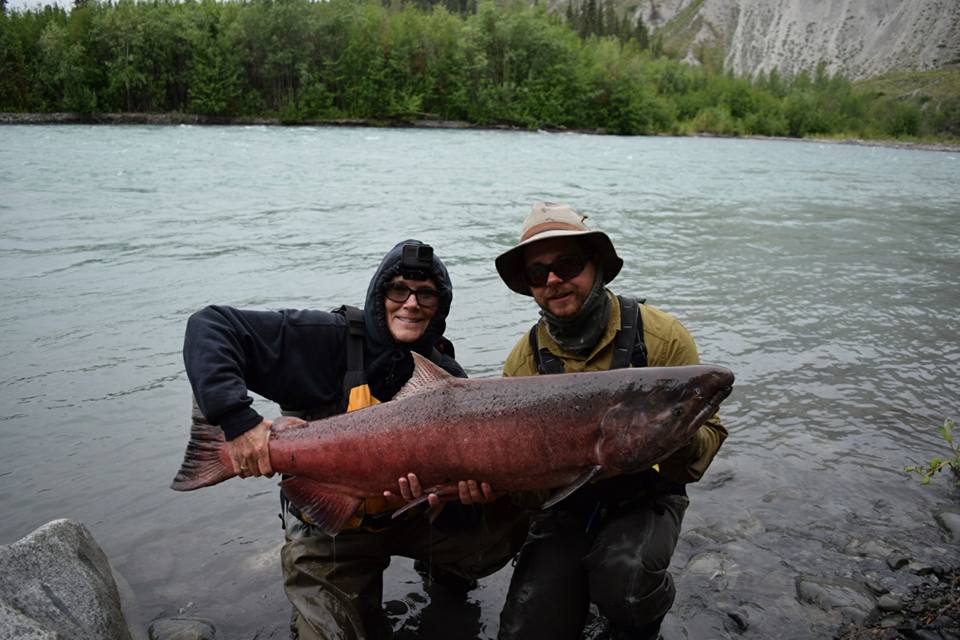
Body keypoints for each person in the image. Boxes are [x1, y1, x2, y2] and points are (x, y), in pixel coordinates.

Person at [183, 240, 522, 640]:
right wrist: (237, 422)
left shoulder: (448, 376)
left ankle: (445, 569)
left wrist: (468, 498)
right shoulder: (324, 340)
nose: (411, 303)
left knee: (514, 517)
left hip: (410, 517)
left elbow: (460, 489)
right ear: (379, 295)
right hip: (332, 528)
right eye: (398, 289)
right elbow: (211, 326)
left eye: (426, 295)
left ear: (440, 308)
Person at [493, 203, 728, 640]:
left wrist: (671, 437)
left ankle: (646, 611)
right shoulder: (522, 361)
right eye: (537, 272)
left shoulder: (661, 336)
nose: (553, 280)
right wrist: (493, 483)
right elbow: (526, 490)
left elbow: (709, 436)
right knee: (526, 630)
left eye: (567, 264)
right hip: (562, 505)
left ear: (597, 266)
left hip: (645, 497)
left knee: (627, 587)